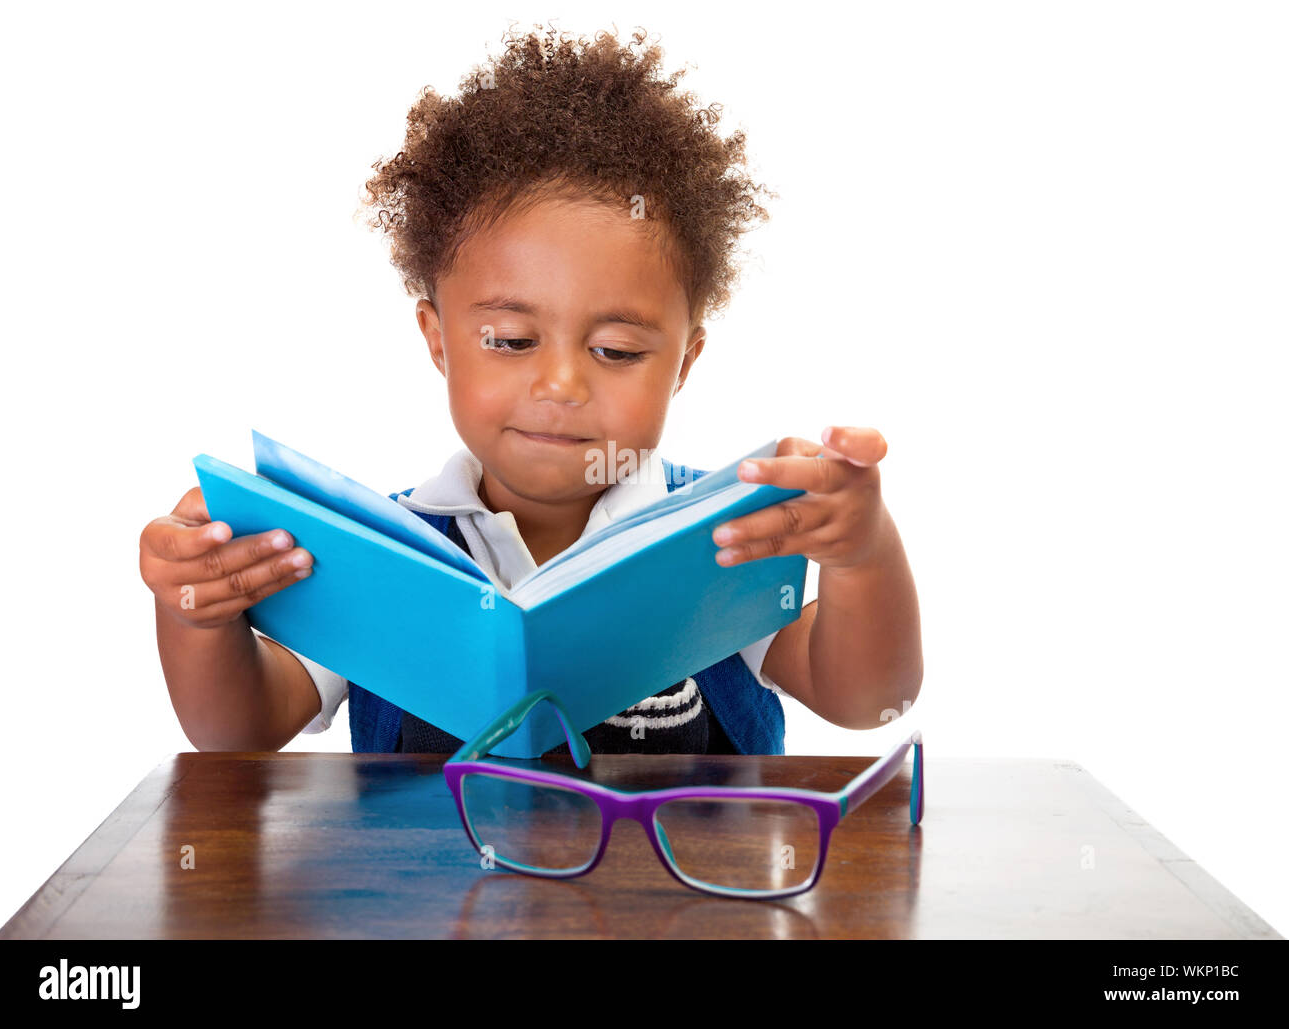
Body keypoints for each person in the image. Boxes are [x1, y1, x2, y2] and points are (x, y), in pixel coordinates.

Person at [138, 25, 923, 755]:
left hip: (687, 903)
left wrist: (865, 552)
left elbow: (868, 699)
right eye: (511, 341)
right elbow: (237, 736)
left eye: (616, 349)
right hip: (425, 906)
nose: (560, 382)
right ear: (438, 339)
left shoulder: (721, 538)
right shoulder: (377, 551)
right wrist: (195, 614)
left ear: (684, 361)